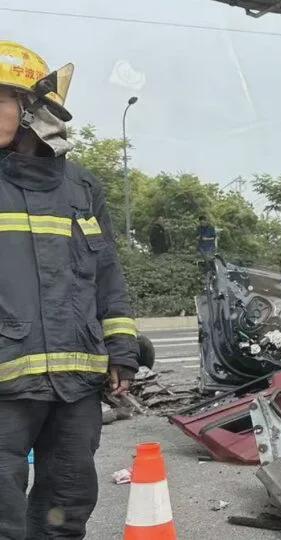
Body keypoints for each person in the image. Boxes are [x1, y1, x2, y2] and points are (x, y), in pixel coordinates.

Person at [0, 42, 139, 539]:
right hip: (5, 385)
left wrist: (120, 350)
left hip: (77, 379)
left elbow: (106, 273)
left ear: (34, 108)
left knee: (68, 501)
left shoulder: (82, 189)